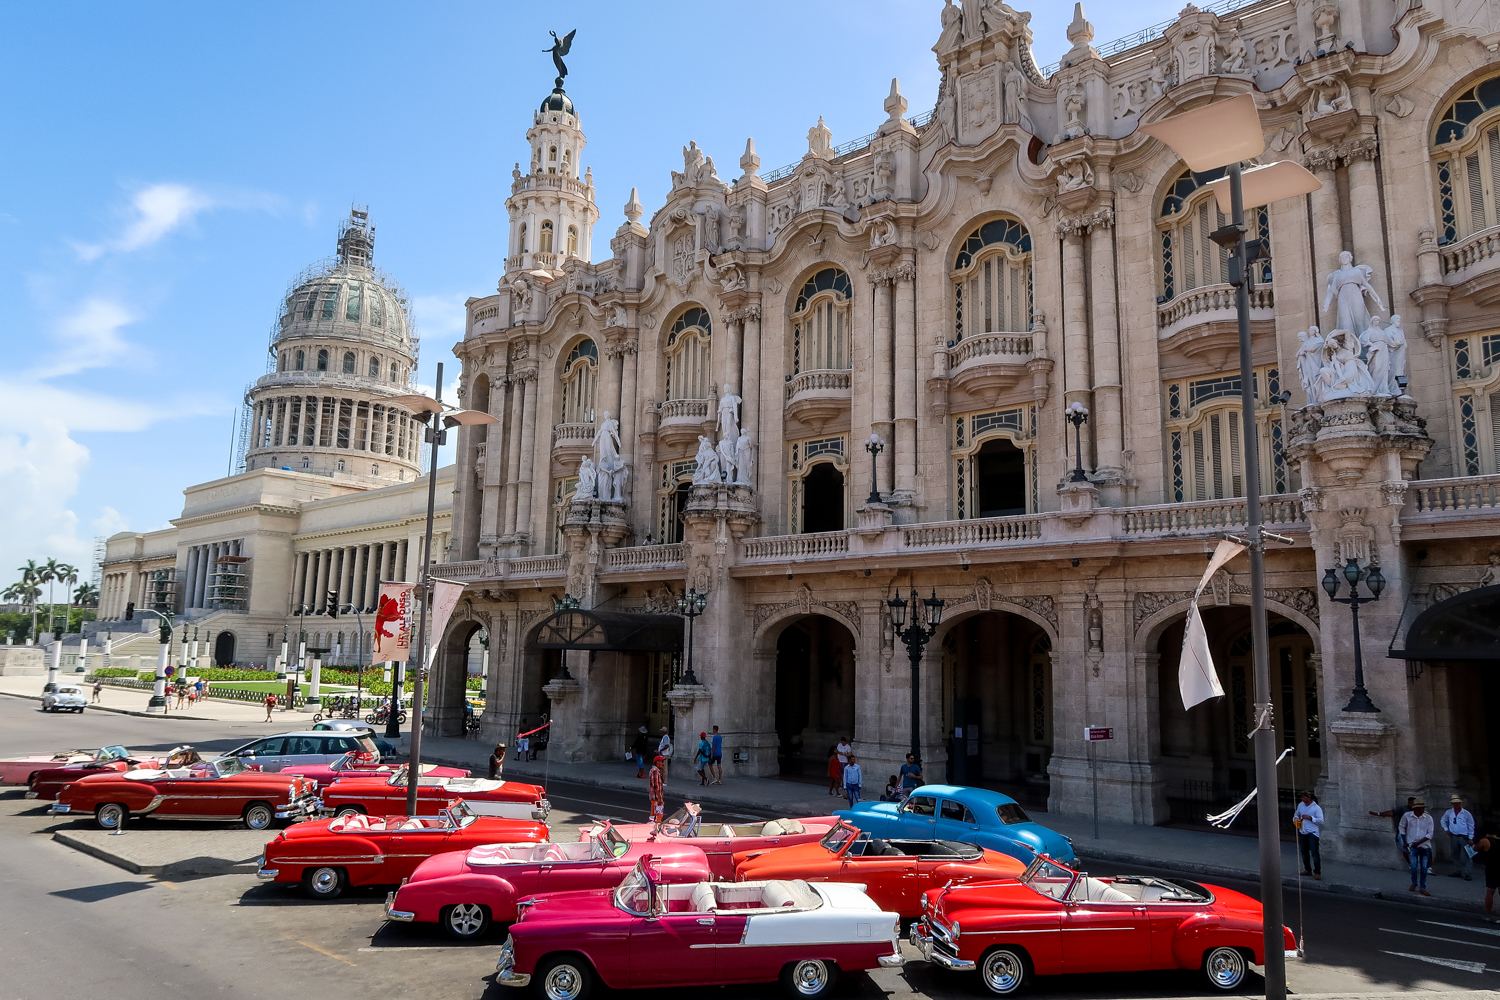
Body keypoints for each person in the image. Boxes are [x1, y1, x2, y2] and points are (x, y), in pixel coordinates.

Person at [1401, 797, 1436, 895]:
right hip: (1412, 844)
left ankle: (1423, 886)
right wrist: (1404, 841)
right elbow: (1402, 828)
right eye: (1421, 807)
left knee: (1424, 868)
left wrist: (1419, 842)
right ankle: (1414, 882)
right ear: (1416, 808)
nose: (1423, 809)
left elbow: (1430, 834)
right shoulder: (1407, 816)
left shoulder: (1428, 818)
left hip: (1424, 845)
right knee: (1413, 866)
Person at [1371, 796, 1418, 865]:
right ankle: (1411, 864)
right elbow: (1391, 813)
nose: (1413, 804)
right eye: (1412, 803)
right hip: (1403, 833)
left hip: (1414, 833)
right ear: (1408, 803)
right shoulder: (1403, 809)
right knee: (1406, 848)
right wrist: (1378, 814)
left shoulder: (1418, 811)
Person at [1442, 794, 1476, 881]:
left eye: (1458, 803)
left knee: (1468, 855)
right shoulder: (1449, 812)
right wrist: (1446, 829)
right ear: (1452, 804)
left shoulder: (1466, 813)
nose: (1457, 804)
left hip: (1464, 836)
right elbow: (1443, 820)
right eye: (1455, 803)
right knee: (1455, 854)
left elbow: (1471, 825)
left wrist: (1471, 837)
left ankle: (1467, 873)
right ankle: (1457, 870)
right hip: (1454, 836)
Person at [1293, 790, 1324, 881]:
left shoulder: (1316, 808)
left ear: (1309, 797)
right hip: (1303, 831)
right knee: (1304, 853)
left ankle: (1317, 872)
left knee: (1314, 853)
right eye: (1301, 797)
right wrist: (1296, 819)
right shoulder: (1300, 805)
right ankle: (1307, 870)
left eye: (1304, 797)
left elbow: (1321, 821)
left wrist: (1310, 818)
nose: (1302, 799)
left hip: (1312, 833)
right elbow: (1296, 814)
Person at [1476, 835, 1498, 922]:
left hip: (1492, 869)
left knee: (1490, 892)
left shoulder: (1485, 841)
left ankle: (1488, 915)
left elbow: (1475, 849)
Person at [648, 755, 666, 830]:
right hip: (656, 797)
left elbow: (663, 780)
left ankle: (652, 828)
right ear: (657, 762)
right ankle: (655, 829)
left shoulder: (657, 771)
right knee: (658, 816)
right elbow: (656, 786)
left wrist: (663, 770)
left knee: (653, 815)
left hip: (656, 797)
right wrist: (659, 799)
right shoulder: (655, 771)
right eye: (661, 761)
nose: (663, 763)